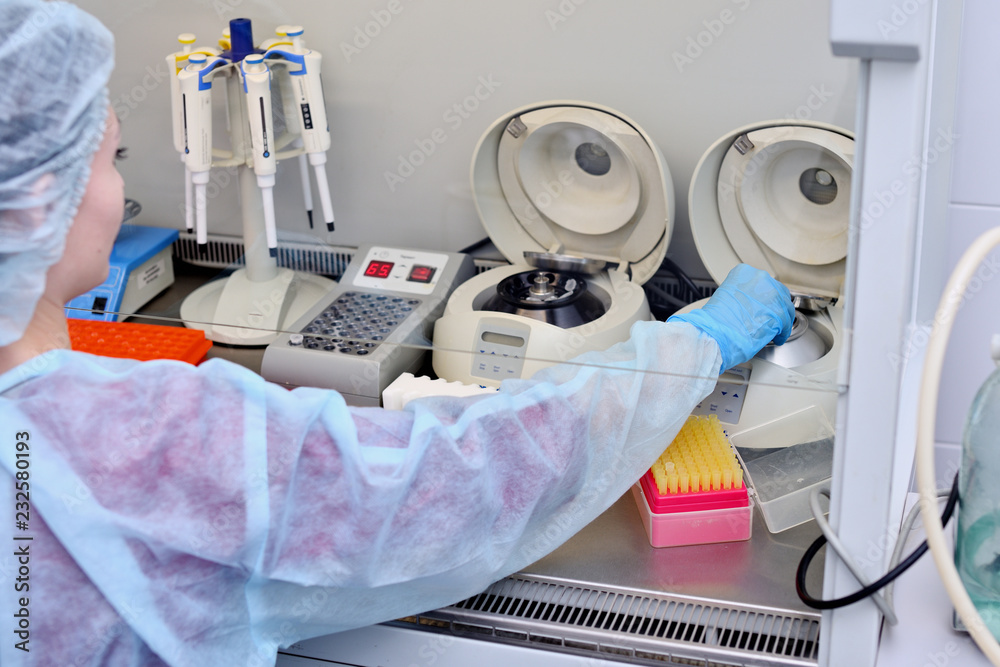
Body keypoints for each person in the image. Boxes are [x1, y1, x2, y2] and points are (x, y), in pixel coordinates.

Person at [0, 2, 795, 665]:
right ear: (37, 202)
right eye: (112, 159)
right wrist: (694, 346)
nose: (120, 188)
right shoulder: (145, 437)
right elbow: (460, 479)